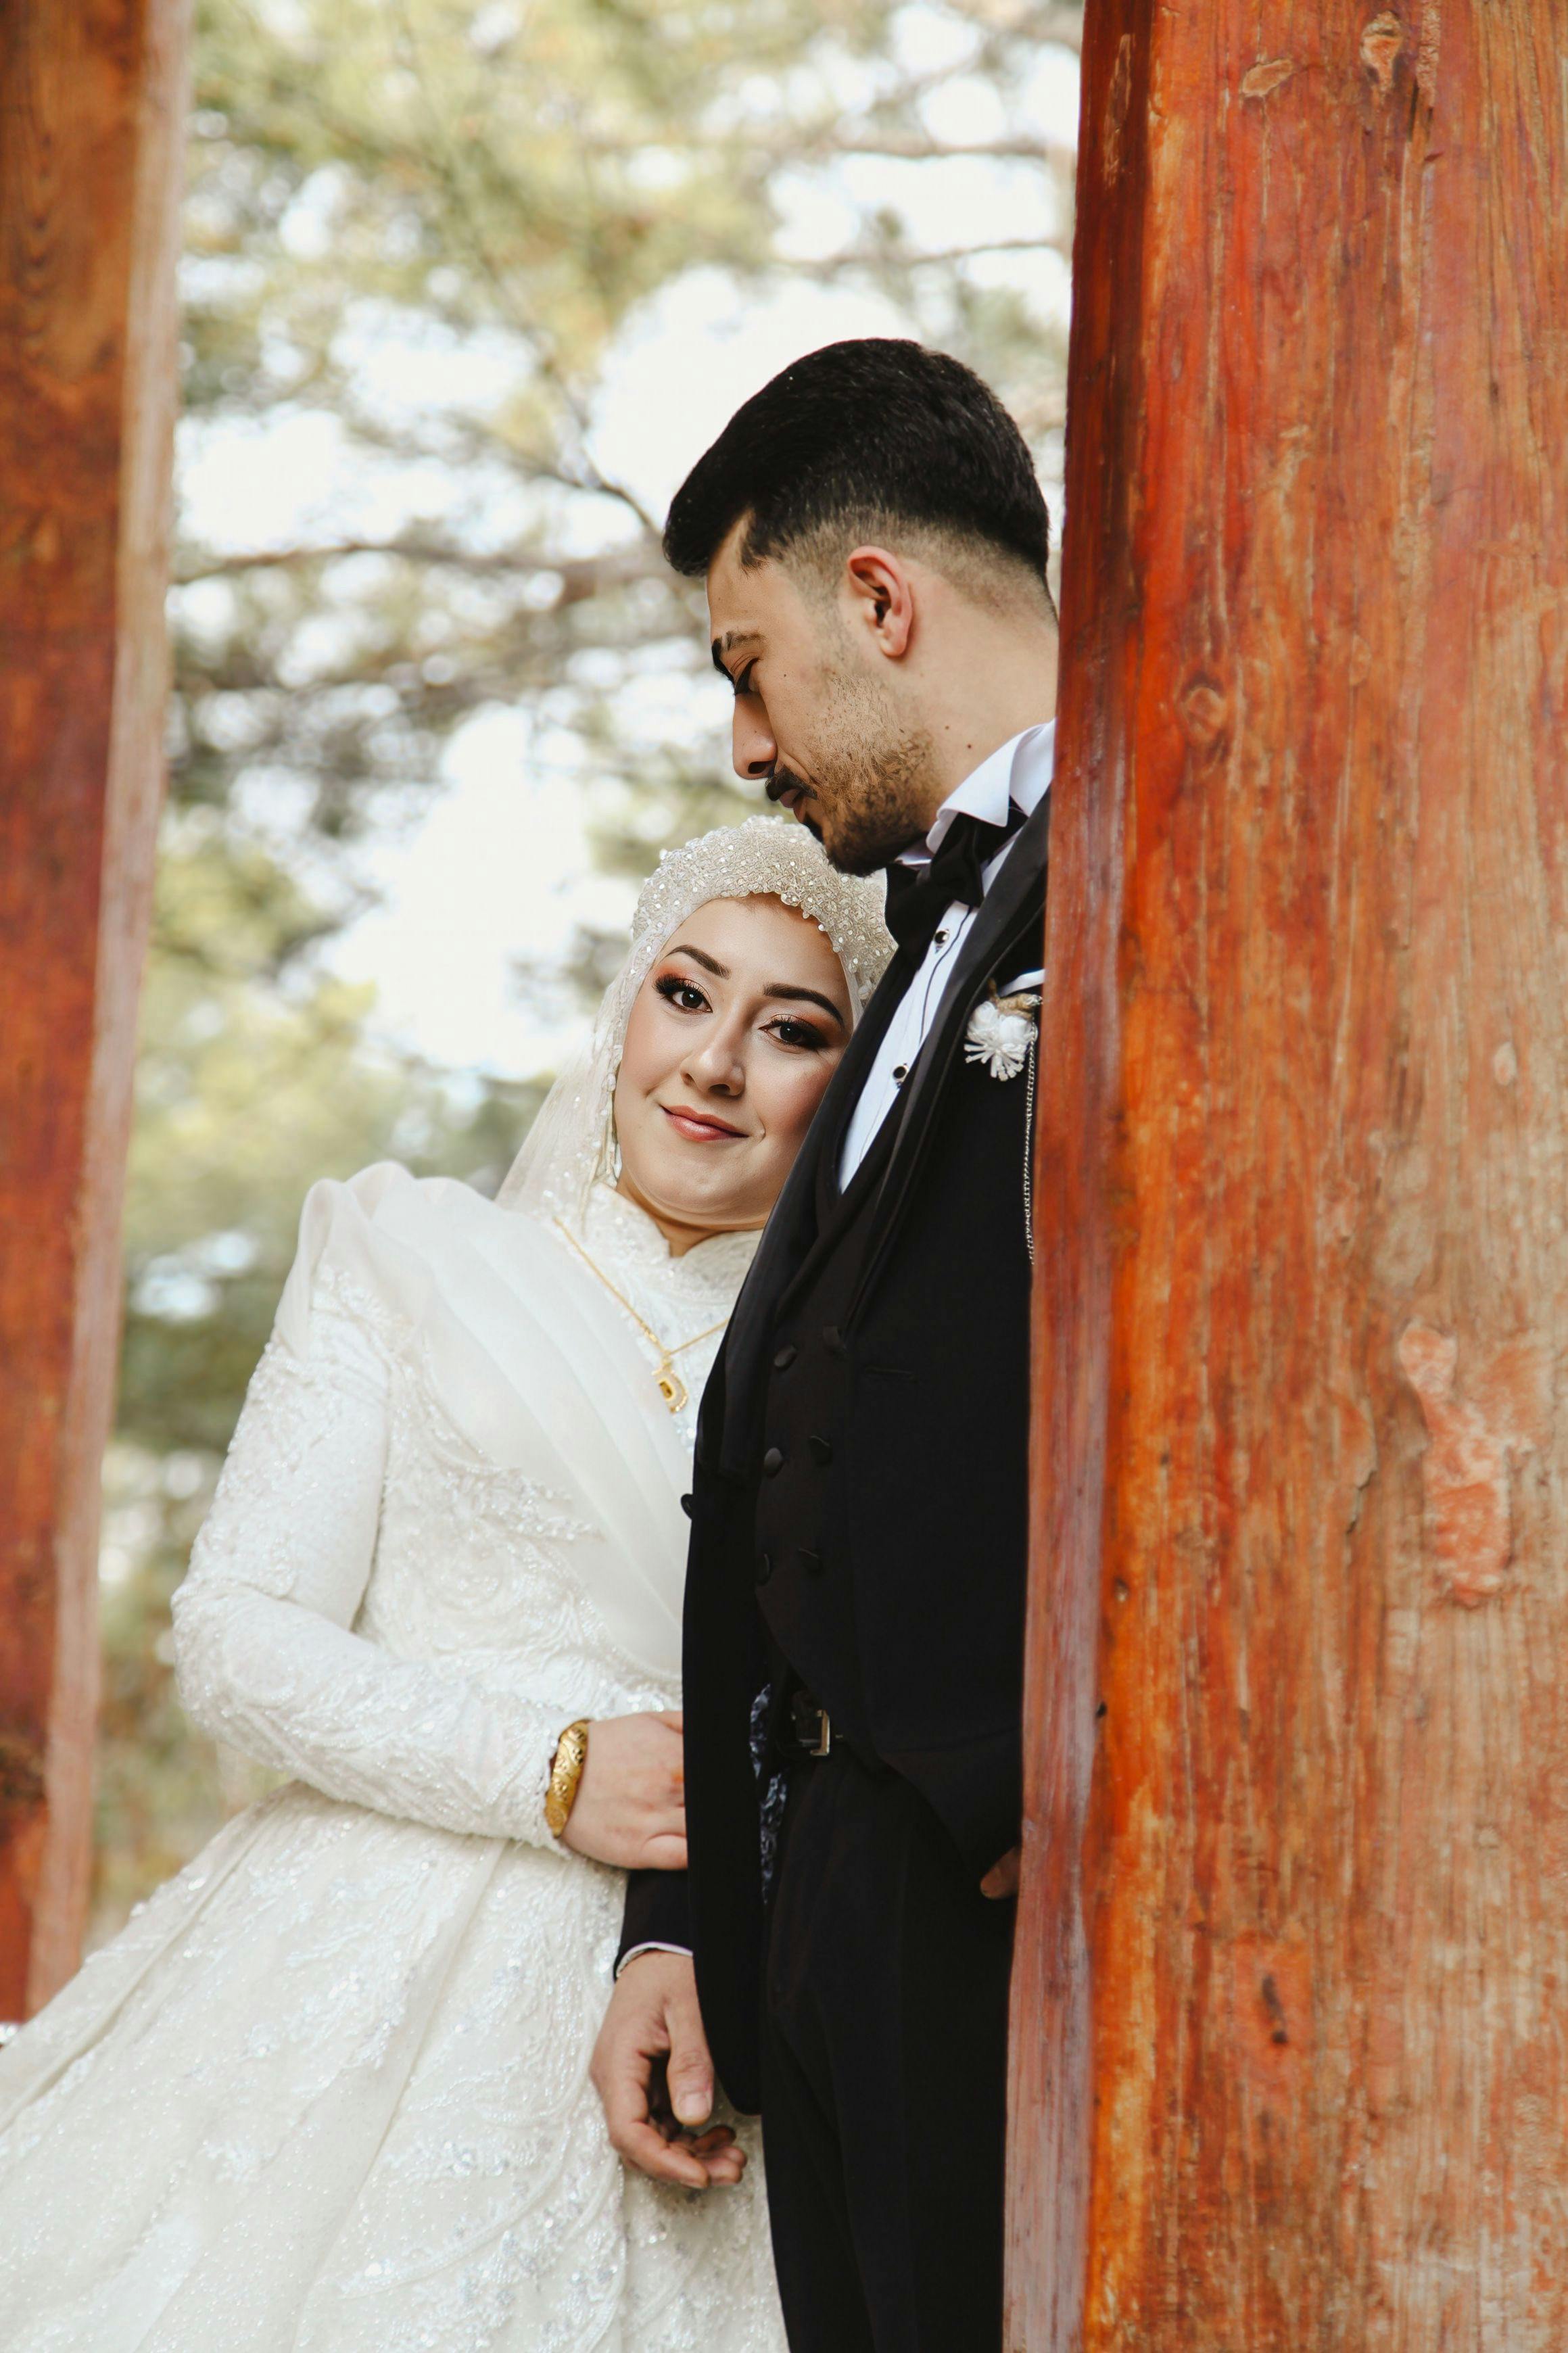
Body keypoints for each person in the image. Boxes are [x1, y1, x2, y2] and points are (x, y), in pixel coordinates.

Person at [0, 819, 892, 2353]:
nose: (715, 1065)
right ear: (622, 1009)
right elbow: (231, 1636)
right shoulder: (411, 1262)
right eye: (684, 995)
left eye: (790, 1030)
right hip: (348, 1954)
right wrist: (543, 1773)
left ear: (845, 1085)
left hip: (704, 1996)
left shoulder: (854, 1373)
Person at [592, 339, 1060, 2350]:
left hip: (1012, 1905)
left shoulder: (1184, 874)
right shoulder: (897, 972)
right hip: (827, 1917)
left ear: (878, 603)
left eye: (745, 661)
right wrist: (699, 1911)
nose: (745, 745)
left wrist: (1027, 1798)